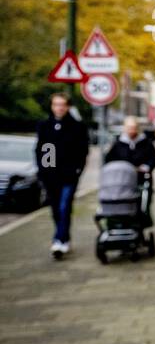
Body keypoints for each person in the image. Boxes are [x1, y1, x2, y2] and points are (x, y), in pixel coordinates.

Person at [35, 92, 89, 258]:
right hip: (51, 176)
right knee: (56, 209)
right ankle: (64, 237)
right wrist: (45, 171)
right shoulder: (45, 126)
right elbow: (44, 150)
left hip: (69, 176)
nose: (59, 108)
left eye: (62, 105)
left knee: (65, 206)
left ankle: (58, 240)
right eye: (56, 104)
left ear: (67, 107)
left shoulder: (77, 127)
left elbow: (82, 151)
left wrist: (77, 169)